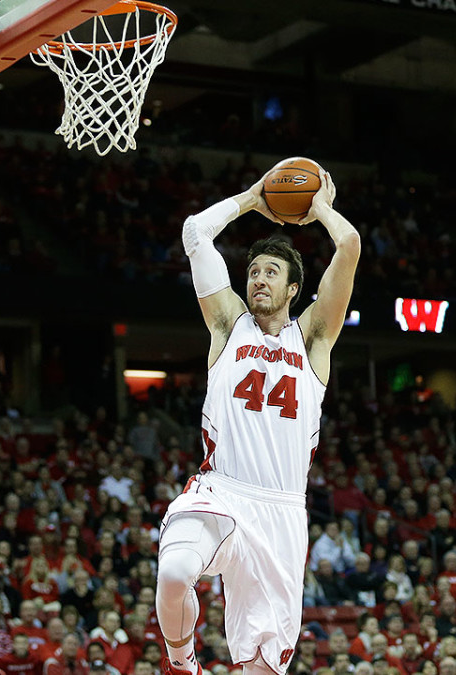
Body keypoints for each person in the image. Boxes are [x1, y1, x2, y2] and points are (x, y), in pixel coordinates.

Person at [156, 163, 359, 675]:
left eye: (271, 272)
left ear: (293, 289)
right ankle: (182, 663)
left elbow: (349, 245)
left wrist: (320, 209)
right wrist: (251, 198)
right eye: (253, 272)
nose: (258, 279)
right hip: (222, 489)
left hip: (281, 513)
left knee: (263, 668)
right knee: (175, 570)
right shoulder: (229, 325)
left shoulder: (312, 338)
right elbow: (195, 233)